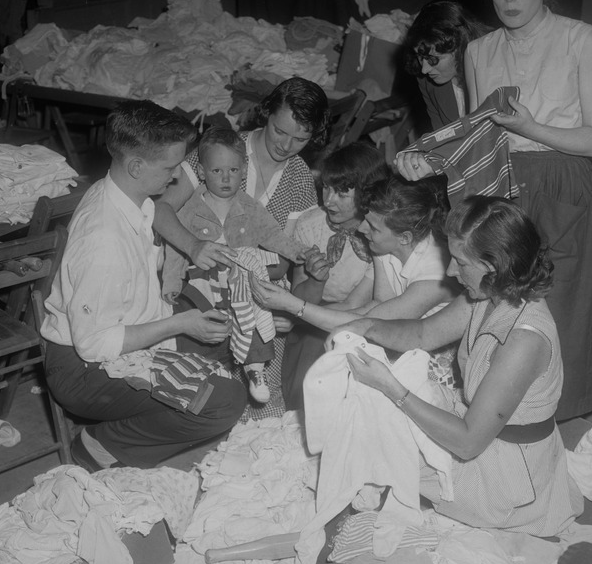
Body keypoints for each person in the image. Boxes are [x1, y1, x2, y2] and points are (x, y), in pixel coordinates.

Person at [397, 0, 592, 422]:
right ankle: (494, 415)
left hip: (562, 182)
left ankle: (555, 426)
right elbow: (477, 138)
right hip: (501, 183)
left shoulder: (584, 40)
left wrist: (529, 128)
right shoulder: (477, 51)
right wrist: (426, 160)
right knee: (497, 302)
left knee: (564, 306)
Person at [336, 195, 584, 536]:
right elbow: (423, 333)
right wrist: (368, 326)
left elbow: (468, 443)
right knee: (370, 426)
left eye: (460, 262)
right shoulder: (488, 295)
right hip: (479, 434)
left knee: (378, 446)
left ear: (494, 267)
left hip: (504, 470)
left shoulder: (524, 339)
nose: (451, 271)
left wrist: (391, 387)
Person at [40, 100, 247, 472]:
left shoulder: (127, 194)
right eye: (169, 169)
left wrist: (188, 249)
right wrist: (182, 324)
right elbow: (95, 344)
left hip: (128, 328)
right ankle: (101, 445)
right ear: (137, 166)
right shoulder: (103, 242)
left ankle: (140, 417)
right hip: (83, 369)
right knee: (225, 402)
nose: (174, 178)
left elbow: (164, 199)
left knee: (226, 336)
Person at [155, 76, 331, 419]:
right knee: (191, 387)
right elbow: (160, 211)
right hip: (198, 279)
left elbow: (292, 257)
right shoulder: (221, 151)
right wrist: (193, 246)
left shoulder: (299, 180)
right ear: (266, 114)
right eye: (280, 131)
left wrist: (291, 311)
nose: (286, 145)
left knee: (264, 396)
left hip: (255, 294)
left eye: (301, 139)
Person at [251, 173, 460, 339]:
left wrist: (293, 306)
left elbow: (369, 322)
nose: (361, 228)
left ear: (404, 238)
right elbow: (376, 305)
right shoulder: (386, 245)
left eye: (373, 227)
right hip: (394, 335)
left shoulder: (434, 277)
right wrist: (297, 315)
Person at [279, 142, 391, 410]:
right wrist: (317, 281)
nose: (329, 200)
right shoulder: (310, 225)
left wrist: (307, 314)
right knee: (305, 377)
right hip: (309, 319)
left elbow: (356, 306)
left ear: (366, 193)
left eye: (342, 193)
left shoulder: (377, 235)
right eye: (326, 187)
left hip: (358, 318)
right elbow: (299, 296)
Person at [402, 0, 490, 132]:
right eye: (420, 57)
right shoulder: (427, 81)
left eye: (432, 59)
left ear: (459, 49)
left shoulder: (496, 65)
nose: (424, 69)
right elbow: (441, 136)